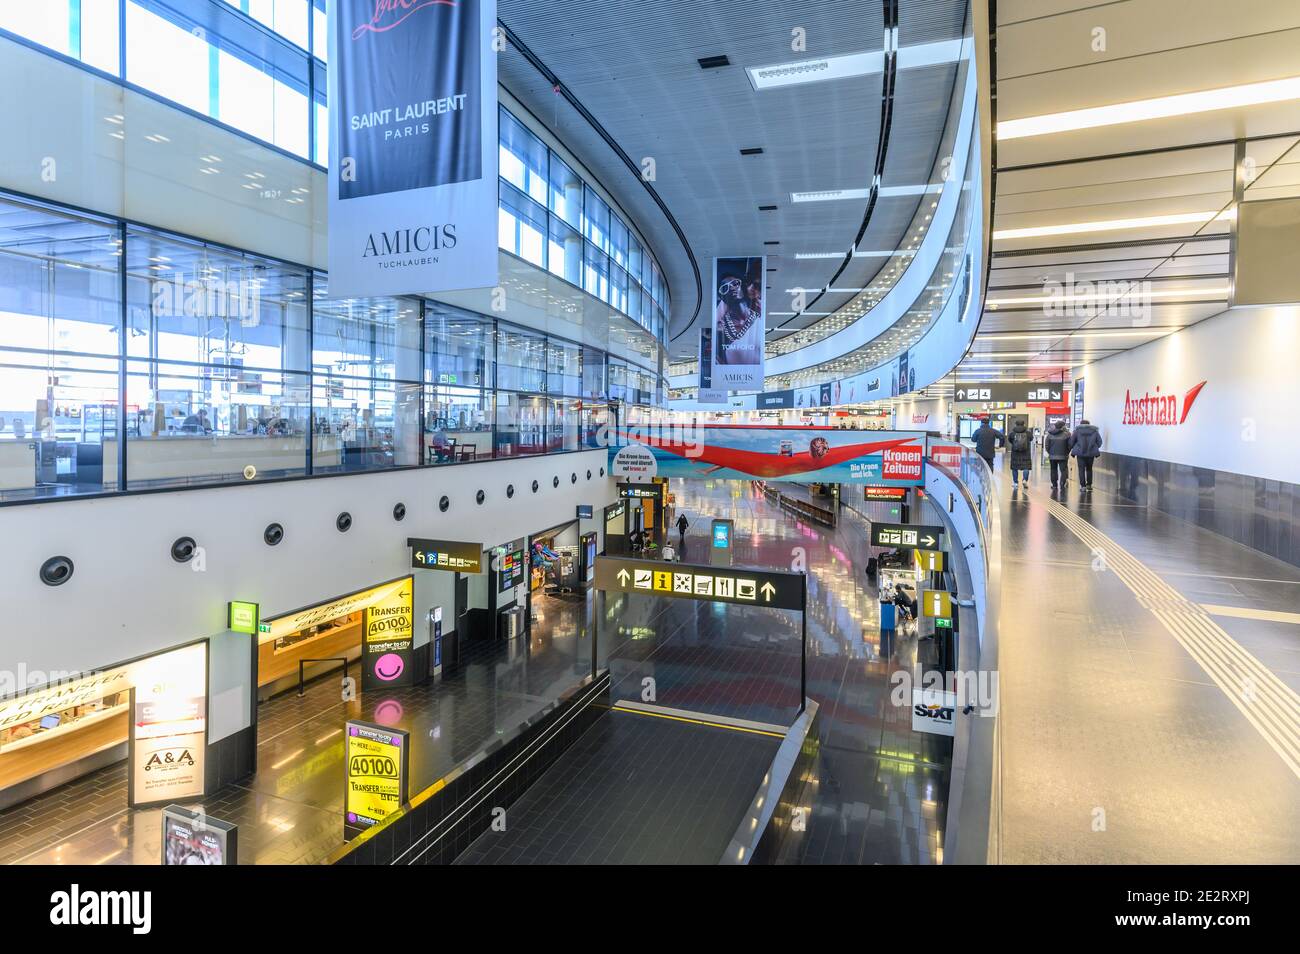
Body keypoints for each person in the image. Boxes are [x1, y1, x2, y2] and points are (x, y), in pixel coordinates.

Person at [1071, 418, 1103, 491]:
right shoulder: (1095, 432)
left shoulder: (1076, 431)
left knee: (1081, 469)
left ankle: (1083, 486)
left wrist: (1076, 447)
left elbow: (1071, 442)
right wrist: (1094, 447)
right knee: (1089, 469)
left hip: (1080, 454)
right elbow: (1100, 442)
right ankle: (1089, 485)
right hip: (1090, 454)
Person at [1043, 419, 1073, 491]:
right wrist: (1067, 452)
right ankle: (1062, 483)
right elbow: (1070, 445)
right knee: (1063, 470)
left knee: (1053, 470)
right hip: (1063, 456)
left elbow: (1046, 445)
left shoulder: (1050, 434)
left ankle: (1054, 485)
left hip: (1052, 456)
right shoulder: (1067, 434)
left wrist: (1050, 452)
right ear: (1063, 427)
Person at [1008, 420, 1033, 487]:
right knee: (1026, 467)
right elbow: (1031, 439)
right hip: (1026, 453)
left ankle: (1015, 482)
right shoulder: (1028, 433)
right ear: (1024, 424)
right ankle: (1025, 480)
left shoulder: (1012, 433)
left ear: (1015, 424)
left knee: (1014, 468)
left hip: (1015, 453)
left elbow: (1010, 440)